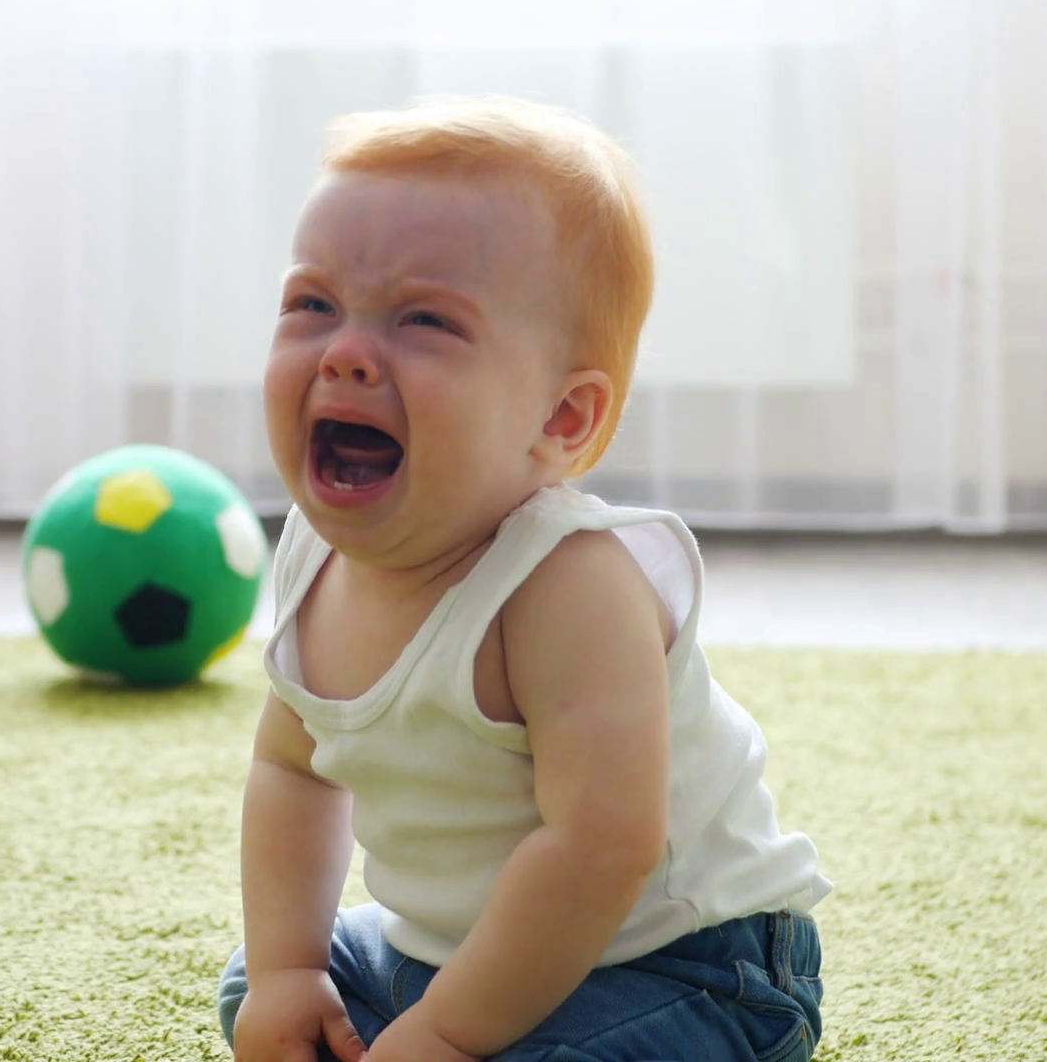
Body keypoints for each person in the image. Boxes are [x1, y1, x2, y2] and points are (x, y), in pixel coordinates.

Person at [219, 95, 831, 1062]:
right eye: (313, 305)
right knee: (259, 985)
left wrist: (447, 1034)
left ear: (561, 420)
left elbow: (601, 848)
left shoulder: (567, 585)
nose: (344, 355)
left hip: (684, 966)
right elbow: (291, 771)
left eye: (424, 320)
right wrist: (289, 972)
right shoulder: (313, 553)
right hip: (452, 950)